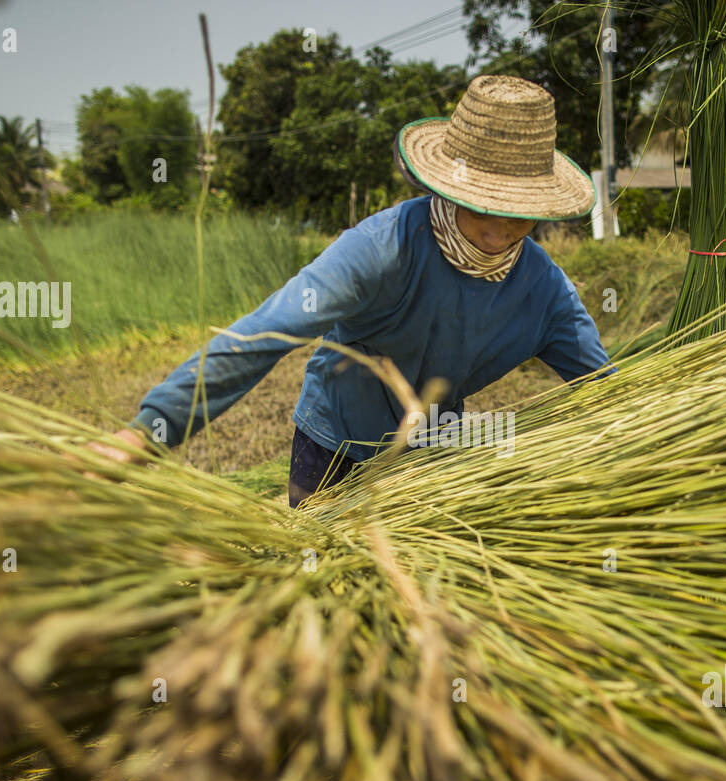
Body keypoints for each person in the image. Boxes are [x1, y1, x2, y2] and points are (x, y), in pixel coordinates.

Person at [93, 74, 614, 507]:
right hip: (333, 446)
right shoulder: (382, 249)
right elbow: (264, 332)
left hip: (433, 453)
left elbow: (608, 394)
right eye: (481, 208)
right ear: (448, 188)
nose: (498, 234)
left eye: (518, 217)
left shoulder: (544, 291)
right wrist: (149, 429)